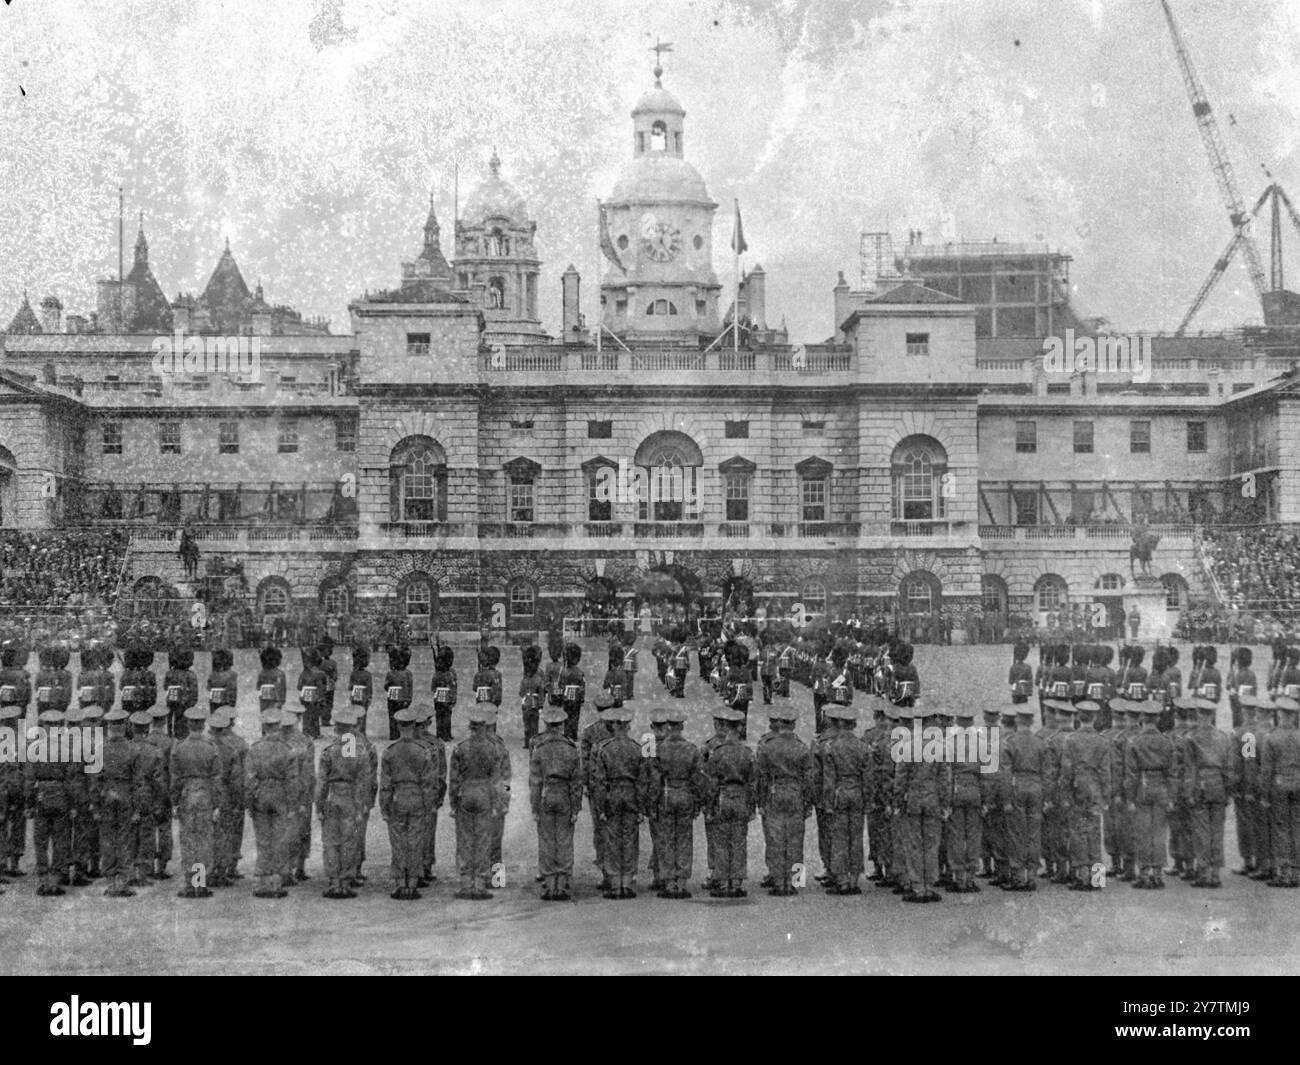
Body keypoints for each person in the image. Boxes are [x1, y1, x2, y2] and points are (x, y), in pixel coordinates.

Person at [640, 706, 704, 899]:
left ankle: (668, 881)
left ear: (668, 726)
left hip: (666, 795)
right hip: (685, 794)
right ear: (682, 726)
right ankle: (682, 881)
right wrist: (697, 803)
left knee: (666, 838)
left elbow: (652, 779)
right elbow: (698, 779)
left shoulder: (657, 748)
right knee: (684, 838)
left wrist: (650, 804)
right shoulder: (691, 748)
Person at [756, 704, 814, 896]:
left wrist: (761, 801)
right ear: (794, 725)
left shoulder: (768, 746)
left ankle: (778, 881)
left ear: (779, 723)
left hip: (775, 792)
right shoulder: (802, 747)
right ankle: (796, 881)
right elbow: (809, 778)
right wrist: (808, 802)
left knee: (776, 839)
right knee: (796, 839)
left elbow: (761, 776)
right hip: (796, 792)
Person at [450, 706, 507, 900]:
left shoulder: (462, 746)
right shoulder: (498, 747)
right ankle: (496, 880)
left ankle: (468, 881)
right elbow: (505, 779)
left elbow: (455, 780)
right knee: (493, 843)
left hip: (467, 794)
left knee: (467, 841)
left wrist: (453, 803)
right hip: (489, 796)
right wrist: (503, 802)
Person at [530, 704, 583, 900]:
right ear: (562, 725)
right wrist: (576, 807)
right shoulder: (570, 748)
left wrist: (534, 807)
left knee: (546, 840)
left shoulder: (539, 748)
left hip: (545, 794)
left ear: (546, 724)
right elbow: (577, 781)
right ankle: (562, 883)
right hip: (565, 795)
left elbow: (534, 781)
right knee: (564, 840)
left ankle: (549, 883)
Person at [381, 707, 434, 900]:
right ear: (413, 726)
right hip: (417, 797)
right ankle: (412, 883)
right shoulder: (423, 751)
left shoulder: (390, 752)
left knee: (398, 842)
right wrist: (428, 806)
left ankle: (399, 883)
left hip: (397, 798)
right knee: (415, 841)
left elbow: (385, 784)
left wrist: (384, 807)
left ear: (397, 725)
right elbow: (428, 783)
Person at [89, 708, 142, 898]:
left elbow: (94, 780)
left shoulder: (99, 748)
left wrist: (95, 805)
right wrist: (138, 807)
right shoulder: (134, 748)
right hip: (126, 794)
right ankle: (123, 881)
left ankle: (111, 881)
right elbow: (138, 781)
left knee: (107, 839)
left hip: (106, 796)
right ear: (125, 726)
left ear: (109, 727)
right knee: (126, 839)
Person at [316, 705, 369, 899]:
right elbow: (363, 781)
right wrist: (361, 805)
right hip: (350, 797)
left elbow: (321, 781)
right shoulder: (358, 750)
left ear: (337, 728)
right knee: (349, 840)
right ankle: (345, 881)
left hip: (332, 795)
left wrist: (319, 805)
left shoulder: (329, 751)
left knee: (331, 841)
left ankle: (333, 880)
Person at [170, 707, 222, 899]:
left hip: (186, 794)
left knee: (188, 840)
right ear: (202, 725)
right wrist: (216, 804)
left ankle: (191, 883)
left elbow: (174, 778)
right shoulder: (211, 748)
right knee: (204, 839)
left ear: (189, 724)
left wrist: (174, 801)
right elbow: (216, 778)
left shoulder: (179, 747)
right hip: (205, 794)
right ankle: (201, 883)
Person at [590, 703, 641, 899]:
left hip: (611, 794)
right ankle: (627, 882)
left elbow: (599, 781)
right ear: (627, 725)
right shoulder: (637, 748)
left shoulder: (603, 749)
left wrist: (600, 805)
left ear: (612, 726)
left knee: (611, 839)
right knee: (629, 839)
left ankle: (614, 882)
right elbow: (643, 778)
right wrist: (642, 805)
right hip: (631, 794)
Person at [703, 706, 755, 898]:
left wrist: (709, 806)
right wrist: (752, 806)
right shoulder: (747, 752)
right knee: (739, 841)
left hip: (722, 797)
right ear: (740, 728)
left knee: (722, 841)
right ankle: (737, 882)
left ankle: (723, 882)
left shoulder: (717, 752)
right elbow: (752, 781)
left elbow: (710, 782)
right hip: (741, 796)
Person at [246, 707, 296, 899]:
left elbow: (249, 780)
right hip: (281, 796)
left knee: (263, 840)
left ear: (264, 727)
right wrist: (292, 805)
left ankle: (260, 880)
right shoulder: (287, 749)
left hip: (260, 795)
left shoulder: (255, 748)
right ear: (278, 727)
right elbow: (293, 780)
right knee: (279, 839)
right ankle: (276, 882)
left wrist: (250, 802)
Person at [1061, 699, 1110, 890]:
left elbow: (1066, 771)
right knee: (1095, 832)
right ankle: (1097, 878)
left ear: (1078, 717)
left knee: (1079, 832)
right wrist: (1105, 796)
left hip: (1077, 789)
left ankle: (1082, 877)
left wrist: (1065, 794)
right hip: (1095, 790)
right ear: (1095, 717)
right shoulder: (1102, 741)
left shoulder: (1071, 740)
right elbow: (1106, 771)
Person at [1185, 696, 1233, 888]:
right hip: (1219, 786)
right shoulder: (1223, 737)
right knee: (1217, 832)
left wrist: (1189, 792)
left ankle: (1203, 872)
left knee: (1201, 832)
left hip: (1201, 786)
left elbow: (1190, 769)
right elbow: (1229, 768)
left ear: (1198, 715)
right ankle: (1215, 873)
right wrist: (1228, 791)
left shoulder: (1192, 738)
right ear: (1212, 715)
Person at [822, 705, 870, 896]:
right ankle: (854, 879)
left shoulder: (831, 747)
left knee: (839, 838)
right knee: (856, 838)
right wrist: (867, 800)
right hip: (857, 792)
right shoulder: (862, 746)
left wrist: (827, 802)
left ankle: (841, 880)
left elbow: (829, 778)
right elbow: (869, 778)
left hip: (839, 793)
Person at [1126, 700, 1174, 890]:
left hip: (1142, 787)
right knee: (1159, 832)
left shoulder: (1134, 742)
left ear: (1141, 719)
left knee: (1143, 832)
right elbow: (1172, 772)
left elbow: (1131, 774)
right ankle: (1158, 873)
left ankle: (1144, 873)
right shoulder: (1166, 741)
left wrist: (1130, 798)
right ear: (1158, 719)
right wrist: (1171, 796)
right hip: (1161, 787)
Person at [1002, 704, 1045, 891]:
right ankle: (1032, 876)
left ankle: (1018, 876)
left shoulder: (1010, 742)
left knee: (1017, 833)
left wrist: (1005, 799)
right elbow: (1048, 772)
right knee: (1034, 833)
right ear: (1032, 722)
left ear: (1017, 721)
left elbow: (1005, 773)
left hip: (1017, 785)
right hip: (1036, 786)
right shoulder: (1040, 742)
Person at [1261, 694, 1300, 888]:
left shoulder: (1272, 737)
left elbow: (1266, 770)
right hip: (1298, 784)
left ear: (1279, 714)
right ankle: (1296, 870)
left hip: (1280, 784)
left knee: (1280, 828)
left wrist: (1264, 793)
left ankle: (1283, 870)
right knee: (1297, 827)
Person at [947, 705, 983, 893]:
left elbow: (946, 772)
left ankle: (958, 876)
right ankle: (971, 876)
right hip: (975, 788)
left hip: (957, 788)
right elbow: (987, 771)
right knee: (974, 835)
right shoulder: (980, 741)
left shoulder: (950, 741)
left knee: (956, 835)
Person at [127, 710, 164, 888]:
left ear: (132, 728)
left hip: (128, 795)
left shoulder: (126, 747)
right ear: (147, 728)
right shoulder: (154, 751)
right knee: (146, 835)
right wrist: (159, 801)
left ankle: (129, 872)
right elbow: (158, 780)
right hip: (147, 795)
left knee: (128, 835)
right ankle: (142, 873)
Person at [413, 706, 448, 887]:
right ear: (428, 723)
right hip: (429, 793)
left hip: (409, 794)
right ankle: (425, 867)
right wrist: (440, 796)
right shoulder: (436, 744)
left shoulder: (406, 743)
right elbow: (441, 774)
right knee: (428, 832)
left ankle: (411, 869)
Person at [519, 644, 546, 750]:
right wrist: (540, 705)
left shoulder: (525, 679)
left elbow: (521, 692)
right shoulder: (539, 676)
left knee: (526, 724)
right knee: (534, 725)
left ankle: (527, 742)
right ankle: (533, 742)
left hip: (526, 704)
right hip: (534, 704)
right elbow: (542, 691)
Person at [385, 645, 414, 742]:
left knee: (392, 717)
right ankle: (401, 734)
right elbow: (410, 687)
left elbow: (386, 686)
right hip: (404, 698)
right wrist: (409, 699)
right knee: (402, 717)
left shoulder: (390, 673)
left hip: (392, 698)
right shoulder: (408, 673)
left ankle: (393, 734)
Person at [559, 643, 586, 743]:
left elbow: (560, 684)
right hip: (576, 697)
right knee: (575, 716)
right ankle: (573, 734)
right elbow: (582, 686)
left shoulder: (563, 672)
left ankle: (567, 733)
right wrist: (582, 699)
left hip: (566, 696)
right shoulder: (579, 672)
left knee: (566, 715)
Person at [430, 645, 457, 743]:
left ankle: (440, 733)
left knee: (439, 716)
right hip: (447, 697)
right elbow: (454, 687)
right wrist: (453, 699)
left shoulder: (437, 674)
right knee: (447, 716)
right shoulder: (451, 673)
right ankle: (446, 734)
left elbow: (433, 687)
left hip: (438, 697)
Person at [347, 645, 373, 736]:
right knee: (363, 715)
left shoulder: (353, 673)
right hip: (364, 695)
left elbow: (350, 687)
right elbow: (369, 688)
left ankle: (355, 731)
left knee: (355, 715)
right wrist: (369, 697)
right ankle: (362, 732)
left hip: (355, 695)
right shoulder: (367, 674)